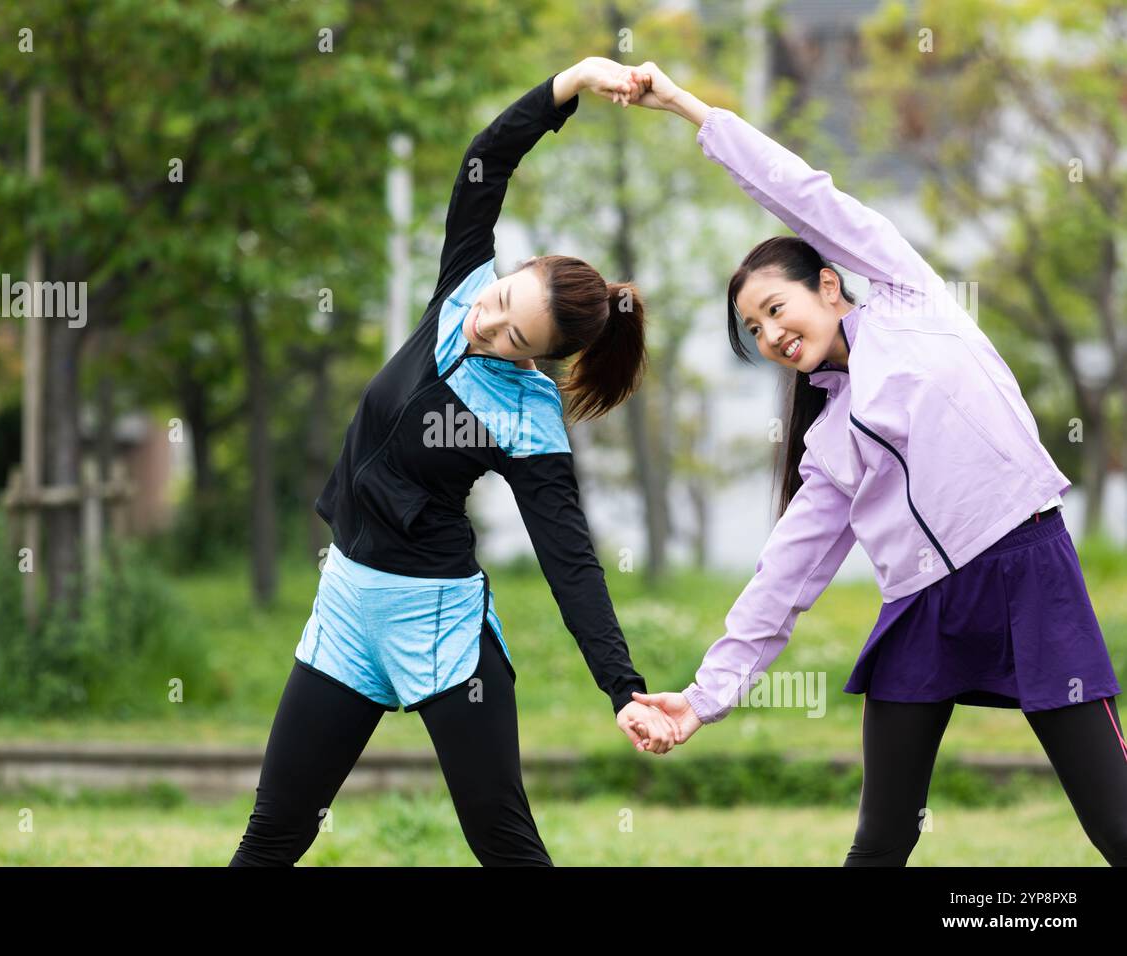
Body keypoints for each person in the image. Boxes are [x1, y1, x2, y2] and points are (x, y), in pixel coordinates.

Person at [622, 62, 1127, 866]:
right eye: (753, 332)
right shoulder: (828, 447)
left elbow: (801, 191)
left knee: (1118, 824)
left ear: (829, 283)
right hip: (922, 608)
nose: (770, 336)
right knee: (882, 839)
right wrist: (702, 698)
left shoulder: (907, 295)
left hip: (1027, 571)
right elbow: (781, 578)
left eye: (775, 309)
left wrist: (690, 109)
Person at [229, 58, 678, 868]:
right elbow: (486, 157)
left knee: (504, 845)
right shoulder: (463, 286)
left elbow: (570, 560)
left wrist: (622, 687)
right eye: (503, 302)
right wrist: (570, 83)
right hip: (346, 608)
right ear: (504, 276)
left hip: (437, 628)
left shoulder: (529, 418)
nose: (490, 326)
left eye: (515, 338)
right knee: (275, 832)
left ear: (538, 359)